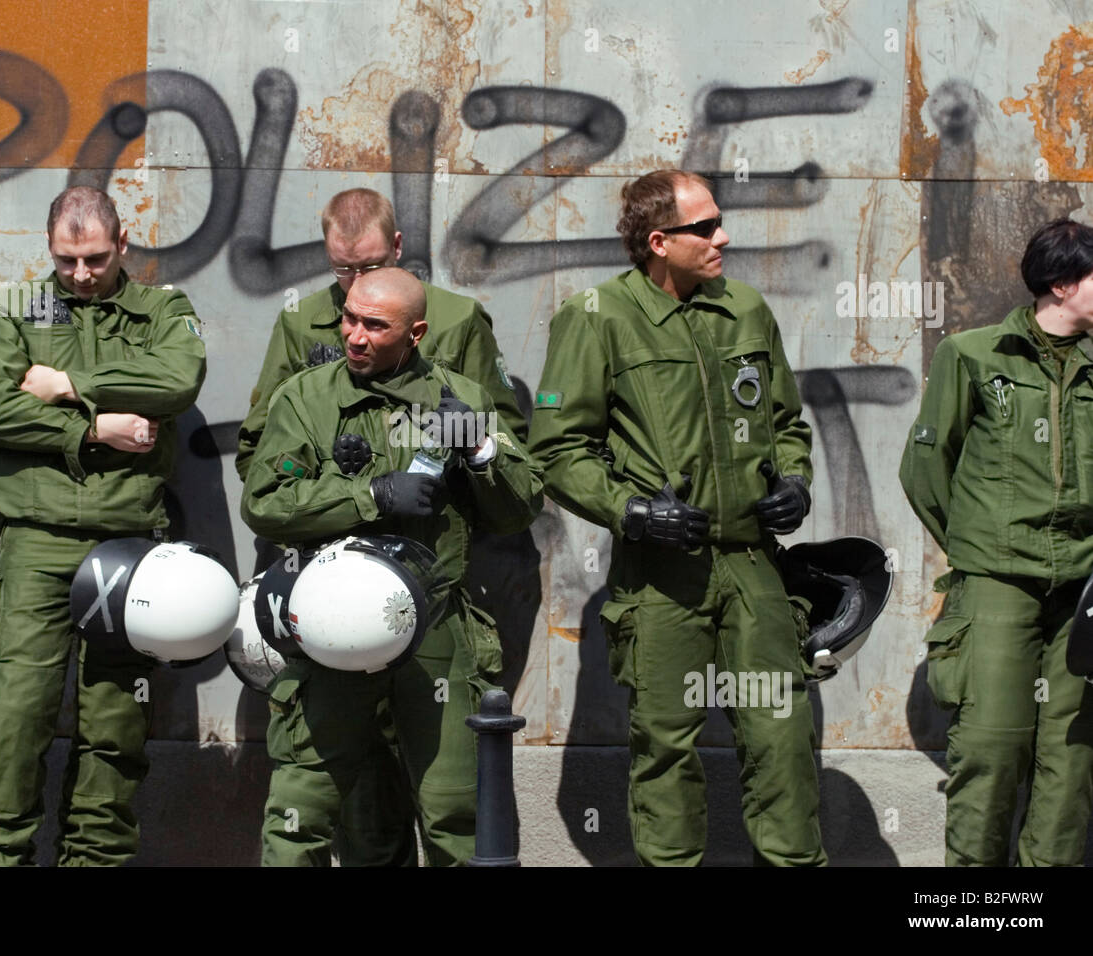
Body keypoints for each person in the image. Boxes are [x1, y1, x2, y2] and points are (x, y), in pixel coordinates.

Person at [527, 169, 825, 866]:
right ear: (659, 241)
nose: (723, 237)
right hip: (661, 581)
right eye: (706, 227)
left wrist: (794, 480)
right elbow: (558, 448)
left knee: (782, 741)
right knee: (664, 749)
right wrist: (630, 511)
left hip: (753, 569)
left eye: (719, 222)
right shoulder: (596, 316)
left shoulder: (745, 310)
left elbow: (785, 423)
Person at [235, 187, 526, 864]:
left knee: (460, 814)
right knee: (302, 814)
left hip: (435, 630)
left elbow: (517, 508)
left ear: (416, 333)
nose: (353, 332)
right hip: (329, 628)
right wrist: (370, 494)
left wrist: (479, 449)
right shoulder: (307, 398)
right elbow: (266, 500)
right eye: (350, 319)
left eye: (375, 325)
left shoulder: (463, 397)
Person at [0, 186, 206, 866]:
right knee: (14, 716)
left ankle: (94, 860)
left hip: (127, 545)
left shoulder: (163, 309)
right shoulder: (13, 311)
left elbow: (177, 381)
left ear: (123, 245)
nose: (81, 274)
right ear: (49, 248)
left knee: (115, 723)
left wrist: (67, 383)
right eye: (67, 260)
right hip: (36, 540)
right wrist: (97, 426)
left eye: (95, 258)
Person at [900, 217, 1093, 866]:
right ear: (1063, 284)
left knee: (1071, 758)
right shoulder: (975, 355)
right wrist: (982, 546)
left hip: (1083, 592)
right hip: (996, 584)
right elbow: (926, 470)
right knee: (991, 746)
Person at [236, 186, 525, 484]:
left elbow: (506, 434)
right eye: (344, 268)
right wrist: (312, 503)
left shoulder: (458, 318)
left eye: (372, 265)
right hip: (326, 516)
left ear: (396, 246)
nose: (360, 280)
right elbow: (258, 445)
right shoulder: (299, 322)